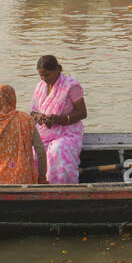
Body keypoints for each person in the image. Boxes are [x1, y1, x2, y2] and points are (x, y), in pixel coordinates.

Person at [28, 54, 86, 184]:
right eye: (41, 76)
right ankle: (38, 184)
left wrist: (60, 119)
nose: (44, 79)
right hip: (44, 132)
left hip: (67, 132)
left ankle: (62, 185)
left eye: (47, 75)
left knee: (58, 150)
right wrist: (39, 117)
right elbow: (32, 112)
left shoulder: (71, 86)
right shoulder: (40, 87)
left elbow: (82, 113)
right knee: (33, 152)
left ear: (57, 70)